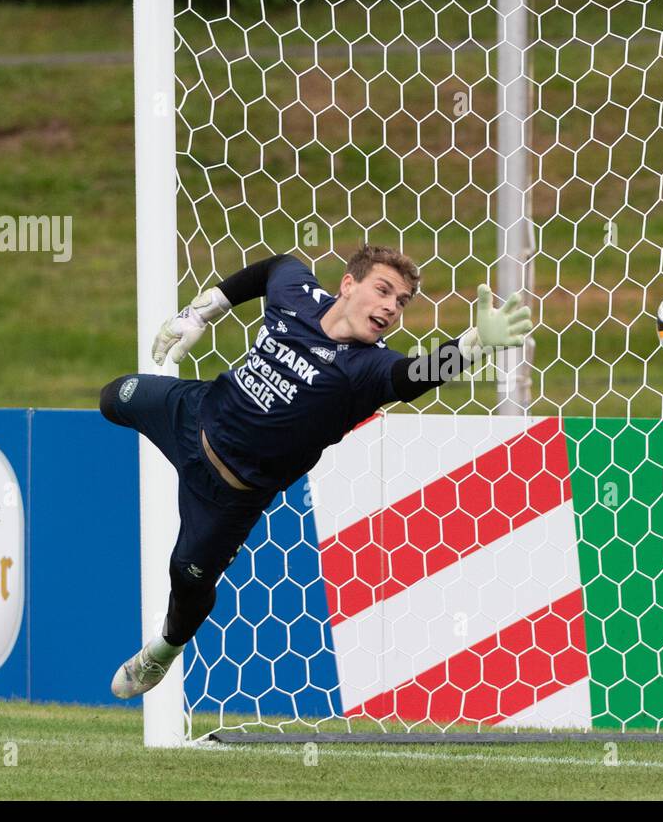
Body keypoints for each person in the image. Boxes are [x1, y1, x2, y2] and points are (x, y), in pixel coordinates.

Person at [99, 244, 532, 698]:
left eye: (401, 302)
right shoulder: (296, 295)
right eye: (383, 290)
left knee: (187, 579)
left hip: (227, 496)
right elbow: (273, 266)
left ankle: (162, 652)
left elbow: (414, 376)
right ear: (348, 284)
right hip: (190, 414)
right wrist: (200, 312)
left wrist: (470, 346)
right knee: (113, 397)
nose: (390, 306)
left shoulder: (367, 369)